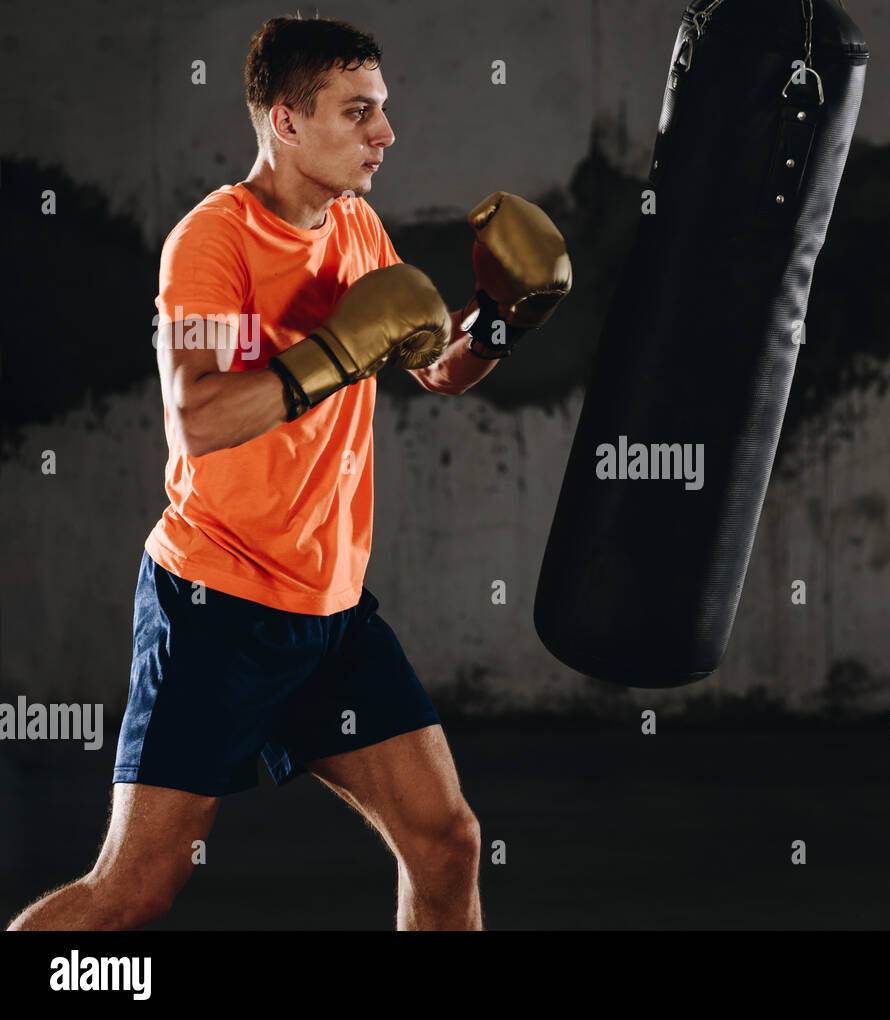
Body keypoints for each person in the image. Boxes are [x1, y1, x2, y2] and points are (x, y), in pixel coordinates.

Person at [7, 13, 570, 932]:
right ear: (285, 120)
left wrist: (503, 318)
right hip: (216, 609)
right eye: (358, 113)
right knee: (133, 892)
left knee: (447, 841)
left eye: (382, 110)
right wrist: (333, 351)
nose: (384, 133)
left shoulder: (357, 227)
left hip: (330, 616)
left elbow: (435, 367)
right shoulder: (210, 243)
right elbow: (196, 418)